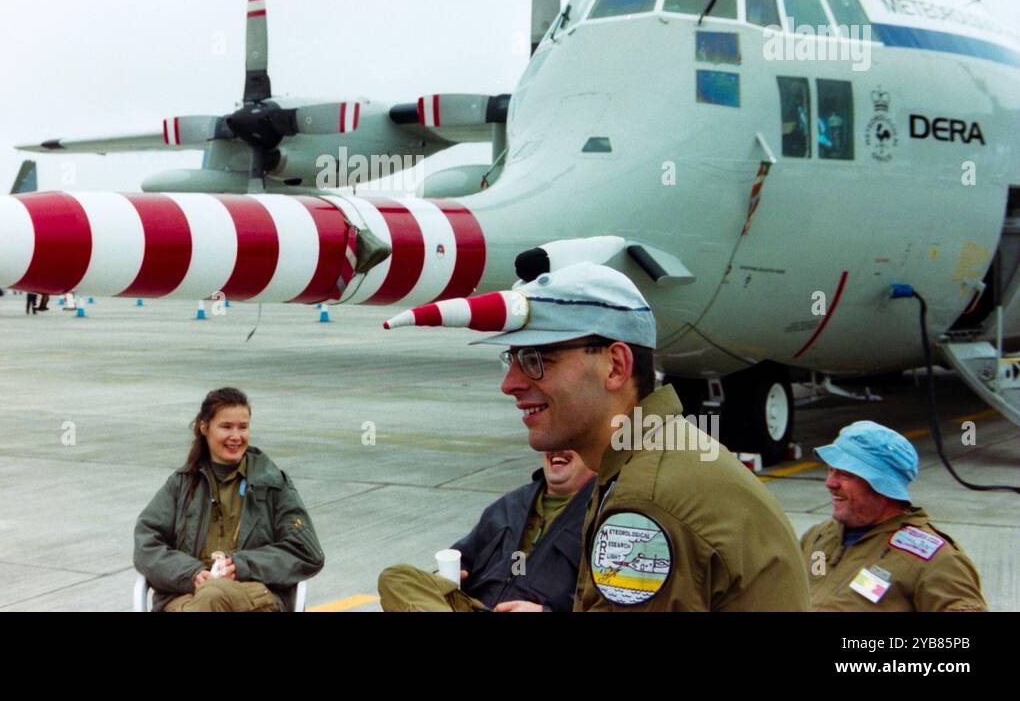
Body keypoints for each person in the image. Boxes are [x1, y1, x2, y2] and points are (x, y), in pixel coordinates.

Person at [383, 259, 810, 611]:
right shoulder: (646, 458)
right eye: (510, 359)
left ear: (616, 366)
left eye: (536, 360)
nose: (510, 383)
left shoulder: (646, 498)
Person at [133, 387, 323, 611]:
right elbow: (147, 544)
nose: (236, 436)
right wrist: (191, 573)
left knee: (214, 595)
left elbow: (307, 552)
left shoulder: (272, 485)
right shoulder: (182, 484)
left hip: (253, 594)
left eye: (243, 427)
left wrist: (241, 565)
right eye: (226, 427)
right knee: (208, 597)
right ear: (205, 428)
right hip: (187, 595)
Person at [801, 421, 987, 611]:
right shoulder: (819, 537)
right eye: (831, 470)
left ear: (882, 485)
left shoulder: (934, 560)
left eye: (845, 474)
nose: (830, 483)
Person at [378, 450, 594, 612]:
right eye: (552, 443)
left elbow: (604, 600)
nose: (557, 449)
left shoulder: (603, 511)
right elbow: (465, 555)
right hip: (477, 605)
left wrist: (545, 611)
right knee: (396, 577)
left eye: (571, 443)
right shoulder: (512, 503)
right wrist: (451, 574)